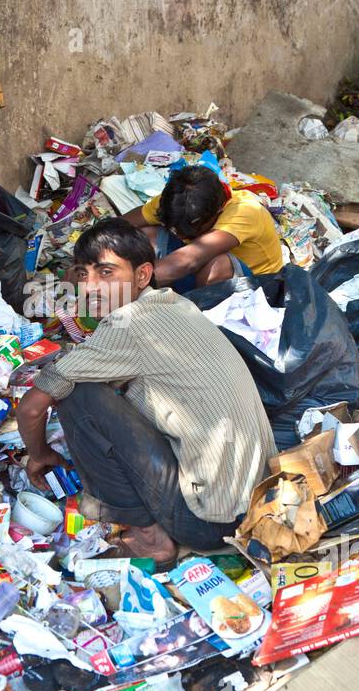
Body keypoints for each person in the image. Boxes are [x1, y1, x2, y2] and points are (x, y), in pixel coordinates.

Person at [15, 217, 276, 568]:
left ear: (142, 276)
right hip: (258, 505)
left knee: (76, 393)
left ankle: (152, 540)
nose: (90, 287)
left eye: (106, 273)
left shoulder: (129, 325)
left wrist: (40, 453)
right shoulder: (176, 305)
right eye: (83, 274)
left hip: (207, 522)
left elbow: (32, 407)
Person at [122, 164, 283, 293]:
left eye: (190, 230)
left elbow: (188, 260)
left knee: (217, 264)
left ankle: (197, 325)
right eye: (176, 228)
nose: (180, 234)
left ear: (218, 210)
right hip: (193, 277)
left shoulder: (245, 211)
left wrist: (122, 288)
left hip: (254, 292)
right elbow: (119, 227)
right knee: (145, 235)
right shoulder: (177, 200)